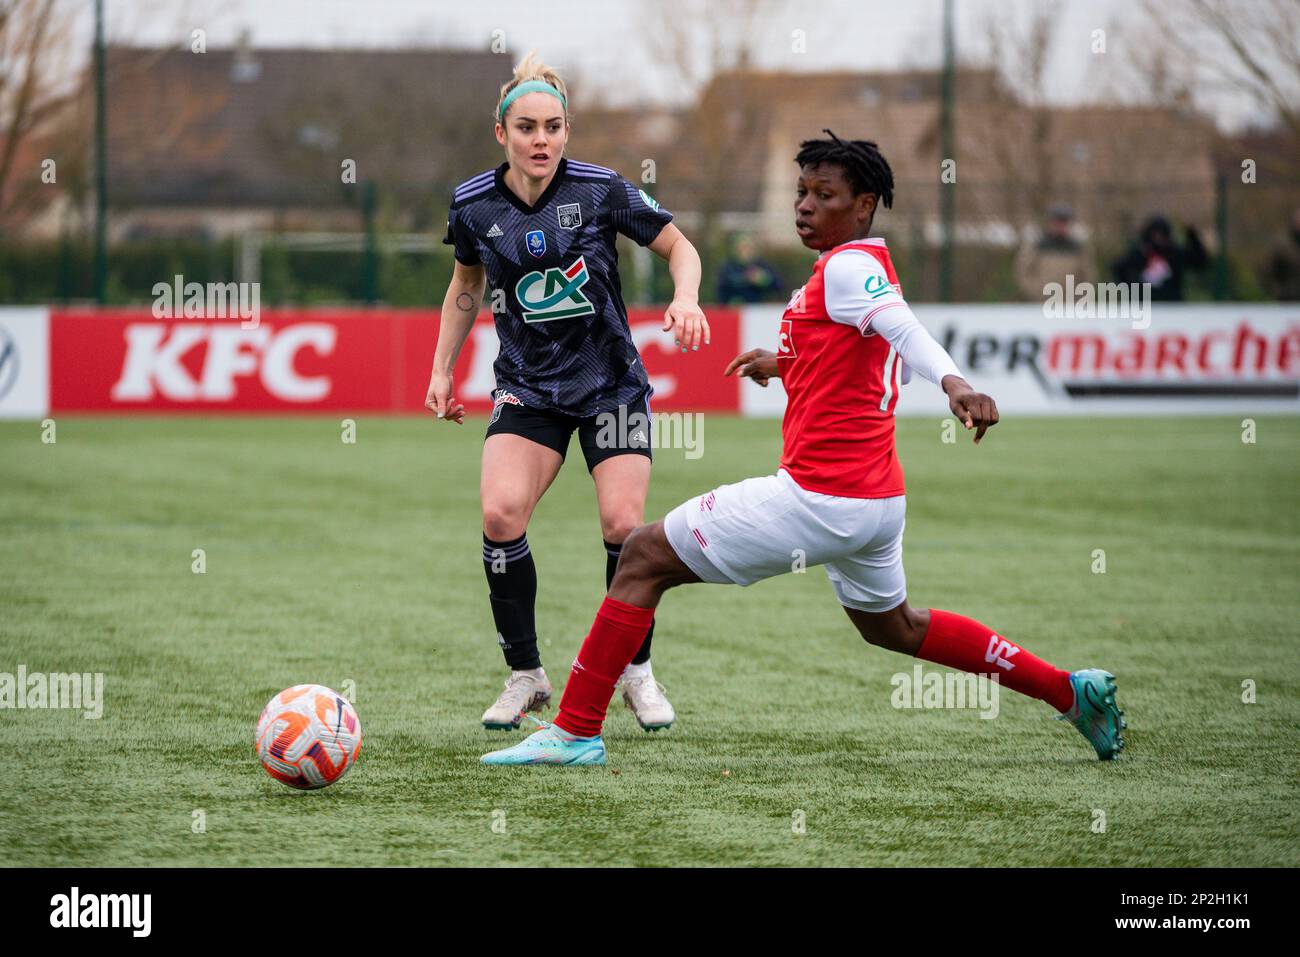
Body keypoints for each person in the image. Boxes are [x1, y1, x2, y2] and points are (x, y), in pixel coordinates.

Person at [481, 131, 1126, 767]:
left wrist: (956, 384)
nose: (805, 206)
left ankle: (574, 731)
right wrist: (783, 362)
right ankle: (1069, 691)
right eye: (801, 192)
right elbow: (852, 354)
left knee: (643, 554)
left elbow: (905, 331)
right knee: (895, 627)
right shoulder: (851, 266)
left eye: (825, 194)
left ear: (864, 205)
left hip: (821, 498)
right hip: (877, 504)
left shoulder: (848, 269)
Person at [427, 52, 709, 732]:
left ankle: (634, 670)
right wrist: (442, 369)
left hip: (610, 385)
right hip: (529, 389)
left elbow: (680, 247)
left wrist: (687, 297)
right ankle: (525, 674)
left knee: (623, 526)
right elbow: (466, 284)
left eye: (553, 126)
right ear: (502, 132)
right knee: (500, 514)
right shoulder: (471, 203)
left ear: (567, 129)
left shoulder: (600, 189)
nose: (541, 140)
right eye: (526, 127)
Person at [1111, 215, 1207, 301]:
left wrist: (1192, 236)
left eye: (1162, 235)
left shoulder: (1174, 254)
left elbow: (1200, 262)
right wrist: (1132, 288)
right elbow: (1118, 269)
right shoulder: (1140, 254)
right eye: (1155, 235)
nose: (1158, 240)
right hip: (1145, 307)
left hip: (1172, 307)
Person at [1014, 204, 1093, 299]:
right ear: (1049, 223)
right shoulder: (1036, 246)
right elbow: (1023, 273)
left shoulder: (1078, 248)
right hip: (1039, 304)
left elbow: (1088, 275)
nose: (1060, 226)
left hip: (1071, 304)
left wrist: (1076, 295)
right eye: (1057, 222)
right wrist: (1037, 292)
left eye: (1064, 222)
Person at [716, 233, 783, 303]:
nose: (745, 251)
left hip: (757, 310)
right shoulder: (728, 267)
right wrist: (745, 278)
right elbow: (722, 286)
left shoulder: (761, 265)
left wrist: (763, 279)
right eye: (742, 247)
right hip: (733, 310)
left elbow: (777, 284)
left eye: (748, 247)